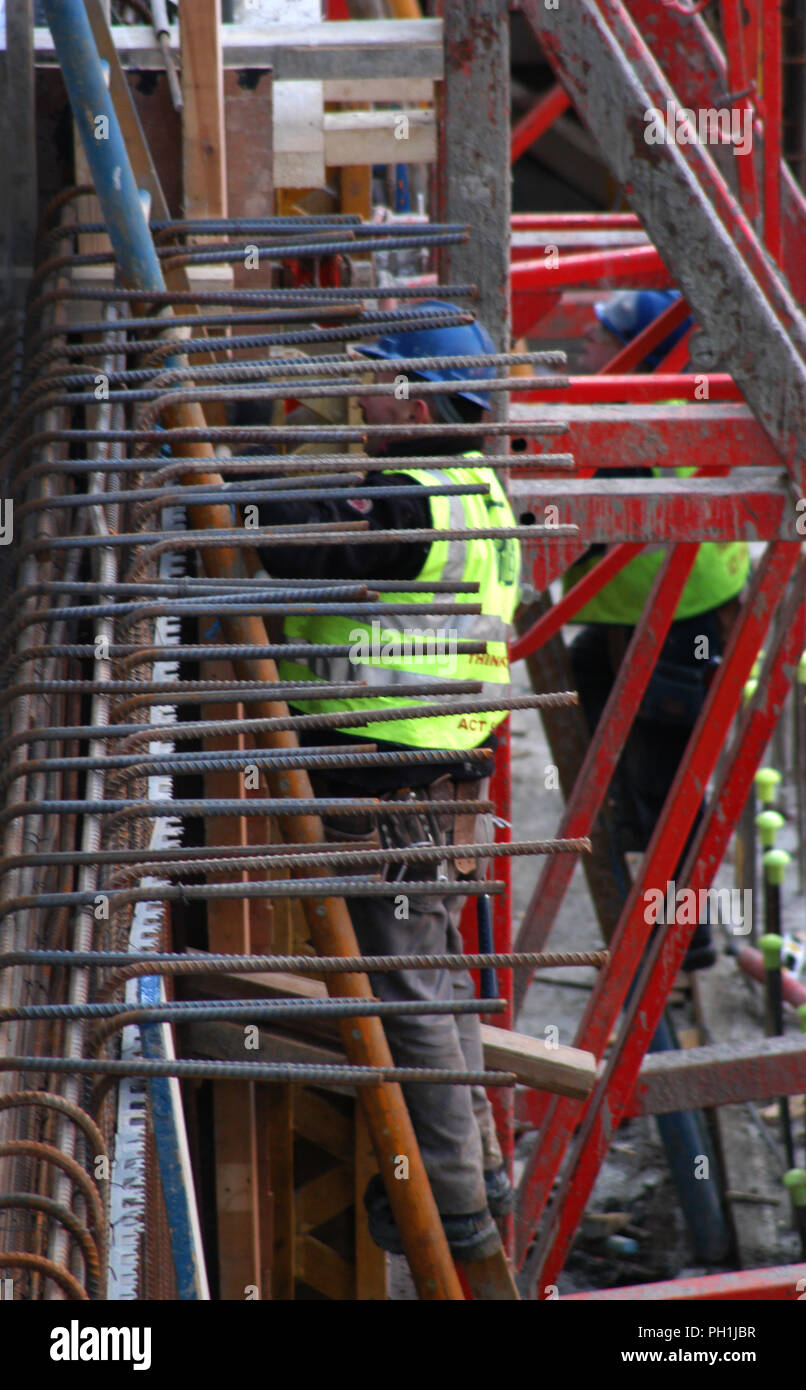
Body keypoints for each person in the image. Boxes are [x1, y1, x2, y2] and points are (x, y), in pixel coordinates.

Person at [250, 304, 521, 1261]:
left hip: (389, 783)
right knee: (438, 985)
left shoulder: (411, 501)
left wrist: (236, 471)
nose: (361, 390)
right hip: (445, 784)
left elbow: (305, 549)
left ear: (415, 392)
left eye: (375, 374)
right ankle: (477, 1175)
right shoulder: (475, 488)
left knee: (409, 1003)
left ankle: (448, 1208)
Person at [564, 290, 750, 968]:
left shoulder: (629, 427)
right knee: (644, 765)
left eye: (603, 334)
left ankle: (682, 939)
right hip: (671, 620)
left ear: (640, 352)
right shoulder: (669, 403)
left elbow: (574, 535)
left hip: (672, 630)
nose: (587, 338)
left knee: (662, 785)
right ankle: (669, 924)